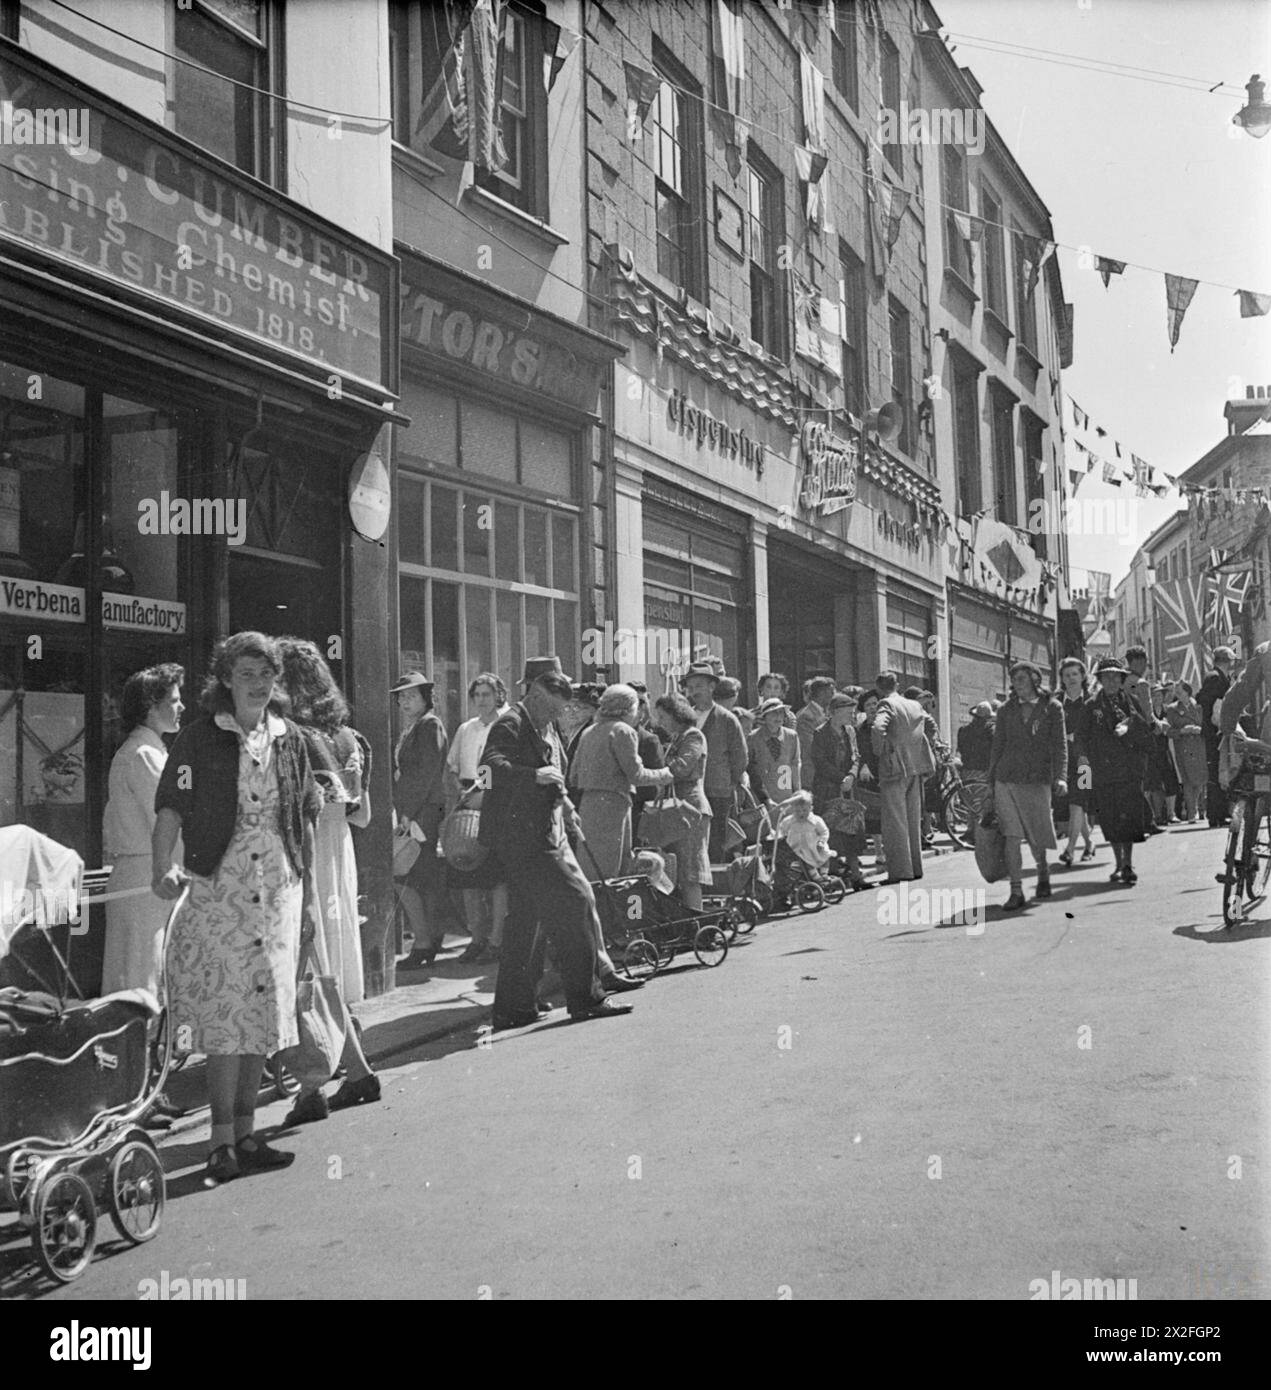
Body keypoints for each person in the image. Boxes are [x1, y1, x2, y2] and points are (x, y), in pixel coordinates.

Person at [152, 631, 323, 1186]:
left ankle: (248, 1135)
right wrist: (162, 867)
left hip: (278, 889)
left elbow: (305, 818)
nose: (257, 684)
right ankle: (219, 1142)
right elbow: (171, 808)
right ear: (225, 679)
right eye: (245, 674)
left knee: (263, 1016)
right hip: (220, 888)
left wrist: (311, 895)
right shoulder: (199, 738)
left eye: (266, 675)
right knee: (226, 1017)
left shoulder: (290, 738)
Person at [481, 657, 633, 1029]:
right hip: (526, 839)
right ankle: (586, 998)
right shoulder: (510, 724)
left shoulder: (536, 725)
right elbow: (485, 773)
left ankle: (513, 1008)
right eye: (552, 706)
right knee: (577, 901)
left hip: (529, 835)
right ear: (533, 693)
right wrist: (533, 776)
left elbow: (548, 779)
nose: (556, 715)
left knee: (526, 920)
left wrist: (561, 801)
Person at [275, 638, 380, 1124]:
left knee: (306, 969)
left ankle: (315, 1084)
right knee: (324, 967)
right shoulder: (348, 738)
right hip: (341, 854)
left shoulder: (290, 736)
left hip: (306, 853)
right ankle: (346, 1072)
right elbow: (363, 817)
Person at [101, 662, 186, 1128]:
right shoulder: (144, 756)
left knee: (145, 983)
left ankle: (144, 1091)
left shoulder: (143, 751)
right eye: (173, 700)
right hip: (144, 880)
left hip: (143, 878)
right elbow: (170, 822)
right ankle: (136, 1097)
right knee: (141, 986)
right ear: (151, 707)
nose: (180, 707)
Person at [987, 661, 1067, 911]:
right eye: (1014, 680)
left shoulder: (1052, 708)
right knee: (1012, 835)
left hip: (1037, 779)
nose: (1016, 685)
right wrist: (990, 783)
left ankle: (1043, 872)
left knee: (1036, 834)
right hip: (1007, 778)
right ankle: (1016, 891)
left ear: (1034, 679)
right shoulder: (1005, 710)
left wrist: (1061, 777)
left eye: (1021, 679)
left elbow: (1060, 746)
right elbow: (997, 747)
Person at [572, 684, 673, 878]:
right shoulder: (623, 731)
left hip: (588, 805)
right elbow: (636, 775)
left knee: (591, 867)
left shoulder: (589, 732)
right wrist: (664, 774)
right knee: (614, 869)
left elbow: (573, 775)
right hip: (614, 805)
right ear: (629, 709)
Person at [444, 673, 510, 966]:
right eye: (477, 695)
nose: (482, 700)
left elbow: (499, 769)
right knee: (469, 874)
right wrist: (460, 789)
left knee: (496, 878)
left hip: (496, 802)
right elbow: (453, 765)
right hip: (468, 802)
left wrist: (485, 794)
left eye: (487, 694)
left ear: (499, 695)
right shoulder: (466, 729)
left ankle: (497, 940)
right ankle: (477, 938)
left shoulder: (506, 724)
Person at [391, 671, 448, 970]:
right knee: (413, 877)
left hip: (421, 813)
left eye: (411, 696)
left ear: (425, 698)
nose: (404, 702)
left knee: (407, 876)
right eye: (401, 697)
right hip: (414, 811)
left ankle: (425, 942)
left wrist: (407, 813)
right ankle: (426, 941)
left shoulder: (429, 725)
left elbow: (426, 774)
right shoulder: (414, 727)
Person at [1078, 656, 1153, 884]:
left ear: (1121, 679)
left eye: (1115, 677)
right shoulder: (1091, 706)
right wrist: (1085, 770)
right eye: (1106, 677)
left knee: (1128, 819)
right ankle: (1118, 863)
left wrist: (1130, 725)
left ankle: (1128, 864)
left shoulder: (1130, 702)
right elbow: (1081, 739)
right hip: (1104, 772)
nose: (1111, 681)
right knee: (1110, 820)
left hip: (1129, 772)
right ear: (1100, 680)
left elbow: (1145, 733)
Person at [870, 672, 935, 884]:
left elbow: (878, 727)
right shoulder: (914, 705)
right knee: (912, 820)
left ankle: (900, 871)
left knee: (895, 823)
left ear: (878, 688)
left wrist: (881, 752)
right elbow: (931, 725)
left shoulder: (886, 704)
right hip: (915, 768)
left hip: (894, 768)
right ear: (897, 684)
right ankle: (915, 868)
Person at [651, 692, 713, 909]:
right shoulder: (677, 738)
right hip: (677, 810)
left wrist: (655, 773)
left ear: (676, 714)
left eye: (662, 716)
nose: (659, 722)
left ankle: (696, 919)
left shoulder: (693, 736)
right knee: (679, 868)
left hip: (691, 809)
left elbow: (682, 767)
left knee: (690, 871)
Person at [682, 662, 747, 861]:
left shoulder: (727, 719)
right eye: (690, 688)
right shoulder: (685, 717)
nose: (694, 692)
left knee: (717, 841)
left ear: (712, 687)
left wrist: (730, 782)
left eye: (699, 686)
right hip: (690, 790)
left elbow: (740, 757)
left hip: (718, 790)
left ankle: (717, 887)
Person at [809, 690, 867, 888]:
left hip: (848, 790)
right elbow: (820, 762)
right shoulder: (820, 733)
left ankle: (856, 874)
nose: (852, 715)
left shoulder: (850, 731)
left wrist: (851, 775)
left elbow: (856, 757)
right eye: (848, 711)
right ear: (834, 712)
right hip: (828, 790)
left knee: (852, 831)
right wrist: (841, 778)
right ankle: (834, 874)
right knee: (831, 833)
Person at [1055, 661, 1095, 864]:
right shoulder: (1056, 702)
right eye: (1067, 675)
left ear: (1082, 676)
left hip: (1086, 762)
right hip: (1062, 762)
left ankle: (1070, 850)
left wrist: (1077, 738)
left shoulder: (1092, 701)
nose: (1071, 678)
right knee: (1075, 806)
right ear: (1062, 678)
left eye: (1074, 674)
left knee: (1077, 802)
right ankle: (1088, 844)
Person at [1198, 646, 1234, 827]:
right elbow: (1206, 701)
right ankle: (1215, 814)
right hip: (1215, 731)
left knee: (1221, 771)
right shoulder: (1214, 678)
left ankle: (1220, 813)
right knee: (1216, 772)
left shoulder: (1219, 677)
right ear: (1226, 660)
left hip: (1219, 730)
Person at [1164, 678, 1208, 821]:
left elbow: (1206, 726)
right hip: (1183, 748)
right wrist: (1183, 731)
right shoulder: (1172, 709)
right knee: (1188, 780)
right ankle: (1191, 811)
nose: (1178, 694)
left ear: (1188, 692)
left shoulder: (1199, 706)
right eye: (1177, 691)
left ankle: (1202, 808)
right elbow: (1168, 730)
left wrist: (1199, 730)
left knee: (1201, 778)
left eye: (1180, 691)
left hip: (1199, 746)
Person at [628, 680, 666, 842]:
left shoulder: (659, 731)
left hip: (642, 807)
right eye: (635, 702)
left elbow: (656, 784)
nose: (640, 707)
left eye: (642, 701)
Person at [747, 696, 801, 804]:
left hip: (785, 794)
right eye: (773, 713)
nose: (778, 717)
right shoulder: (753, 738)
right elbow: (750, 767)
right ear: (764, 717)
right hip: (762, 795)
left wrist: (797, 792)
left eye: (781, 713)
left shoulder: (791, 736)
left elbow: (795, 764)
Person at [1145, 684, 1182, 825]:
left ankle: (1171, 813)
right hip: (1151, 751)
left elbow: (1169, 728)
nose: (1157, 698)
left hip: (1164, 749)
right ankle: (1157, 815)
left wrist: (1163, 727)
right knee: (1154, 784)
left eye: (1159, 695)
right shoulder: (1147, 711)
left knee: (1170, 781)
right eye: (1154, 695)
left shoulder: (1168, 711)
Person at [955, 700, 996, 821]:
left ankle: (970, 829)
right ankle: (980, 831)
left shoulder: (963, 730)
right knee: (983, 802)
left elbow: (960, 748)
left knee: (971, 801)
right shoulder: (990, 730)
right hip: (983, 769)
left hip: (966, 769)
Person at [796, 677, 835, 789]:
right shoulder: (806, 716)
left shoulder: (825, 713)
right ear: (821, 693)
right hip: (813, 776)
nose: (834, 696)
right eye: (831, 692)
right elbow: (810, 747)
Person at [774, 791, 831, 867]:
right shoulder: (789, 821)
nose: (801, 813)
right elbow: (781, 830)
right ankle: (811, 874)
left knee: (825, 855)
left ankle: (823, 873)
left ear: (810, 808)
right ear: (792, 809)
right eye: (797, 811)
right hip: (796, 849)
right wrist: (779, 836)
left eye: (804, 810)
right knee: (799, 862)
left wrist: (821, 841)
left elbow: (824, 832)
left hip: (813, 848)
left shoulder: (816, 820)